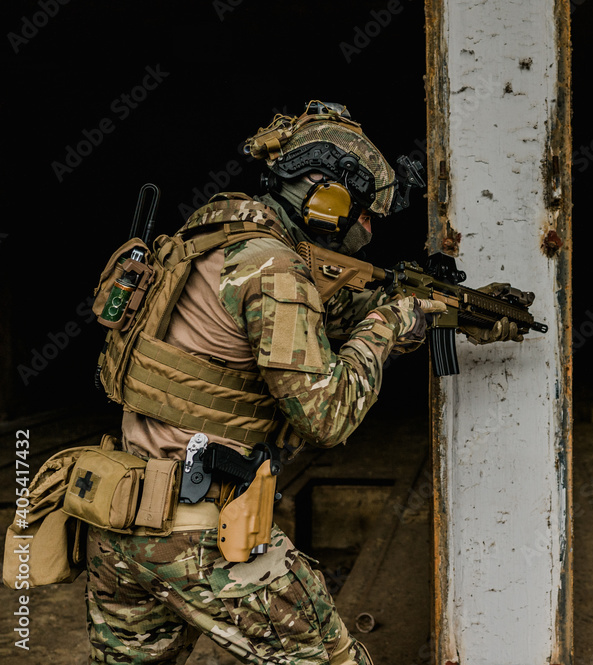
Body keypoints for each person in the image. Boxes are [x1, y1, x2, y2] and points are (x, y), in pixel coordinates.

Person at [85, 100, 516, 665]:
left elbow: (310, 323)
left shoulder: (203, 241)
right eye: (363, 213)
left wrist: (434, 312)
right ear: (325, 195)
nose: (365, 229)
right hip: (199, 535)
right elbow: (326, 417)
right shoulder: (274, 267)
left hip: (117, 515)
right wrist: (391, 323)